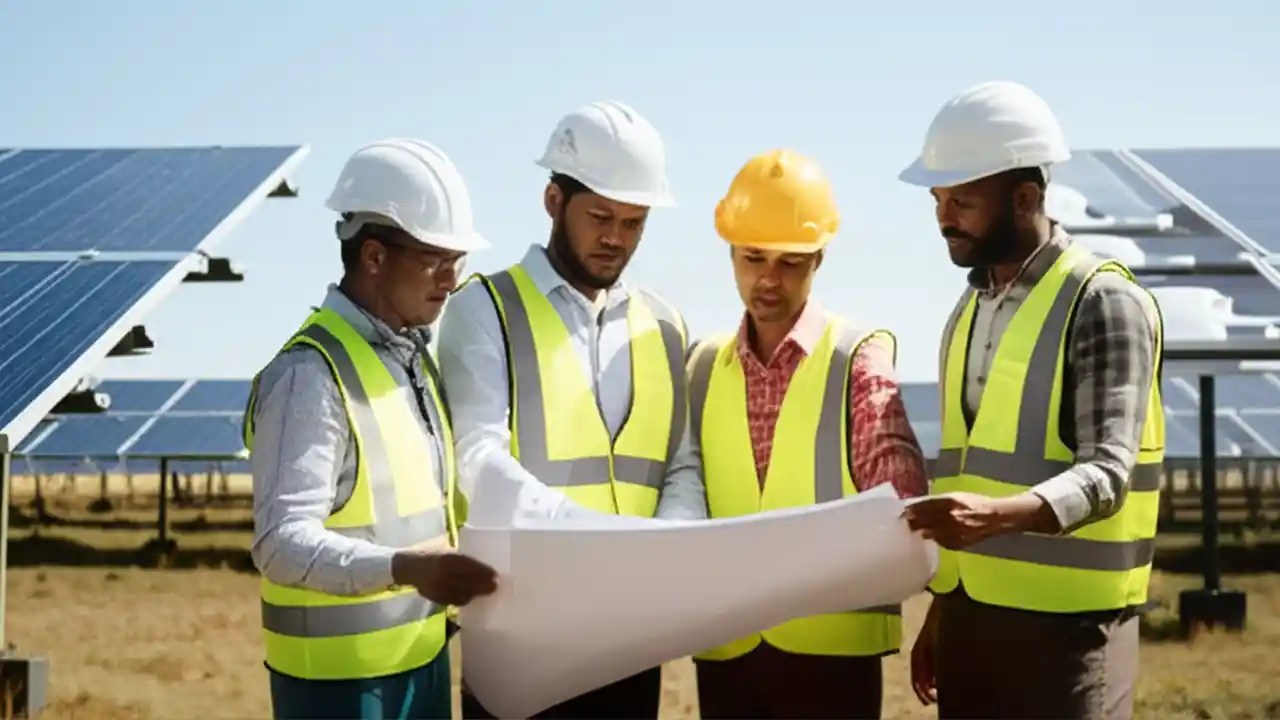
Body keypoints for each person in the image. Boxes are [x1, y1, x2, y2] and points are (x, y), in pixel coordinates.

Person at [897, 81, 1166, 719]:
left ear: (1026, 198)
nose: (943, 218)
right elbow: (967, 468)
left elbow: (1108, 474)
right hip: (974, 623)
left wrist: (996, 518)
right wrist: (945, 604)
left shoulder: (1102, 301)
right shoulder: (967, 309)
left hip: (1071, 636)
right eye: (938, 199)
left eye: (962, 200)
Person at [438, 100, 706, 719]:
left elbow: (681, 467)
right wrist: (595, 544)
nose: (616, 237)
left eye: (635, 222)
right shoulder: (485, 310)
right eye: (600, 216)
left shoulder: (665, 324)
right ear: (553, 200)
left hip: (630, 640)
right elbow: (476, 458)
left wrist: (666, 551)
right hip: (522, 638)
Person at [243, 138, 500, 720]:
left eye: (457, 264)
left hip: (420, 663)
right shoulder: (310, 375)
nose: (448, 281)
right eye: (435, 261)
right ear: (374, 257)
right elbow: (279, 543)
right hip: (338, 689)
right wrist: (406, 568)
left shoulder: (413, 362)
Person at [685, 148, 930, 719]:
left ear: (819, 258)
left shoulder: (856, 356)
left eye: (790, 262)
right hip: (727, 645)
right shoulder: (700, 365)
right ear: (730, 254)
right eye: (753, 257)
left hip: (830, 656)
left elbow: (896, 481)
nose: (768, 278)